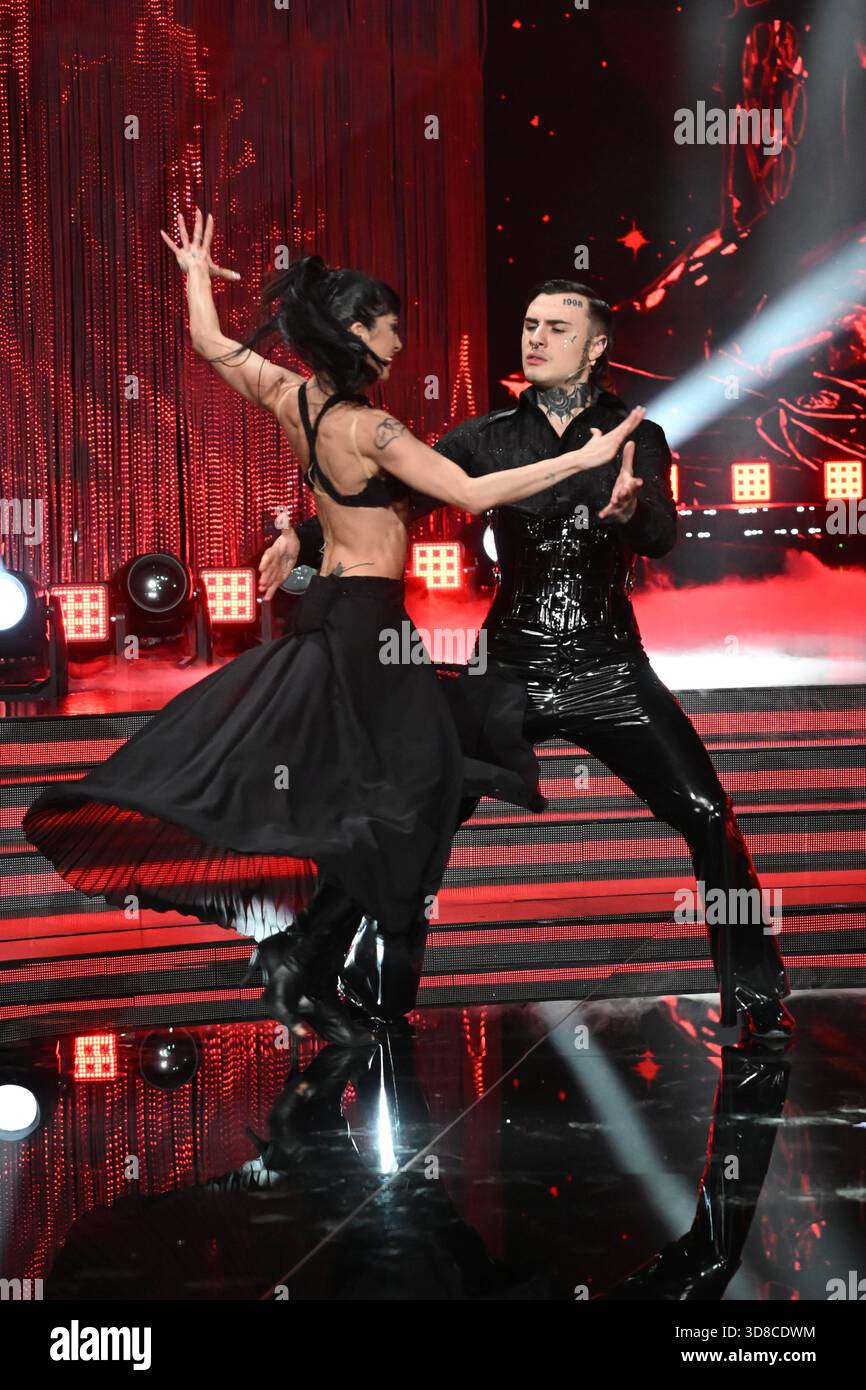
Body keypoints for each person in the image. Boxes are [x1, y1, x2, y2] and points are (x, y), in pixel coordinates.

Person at [21, 219, 643, 1048]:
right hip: (365, 624)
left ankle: (309, 955)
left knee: (389, 791)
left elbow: (209, 343)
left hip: (334, 614)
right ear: (359, 333)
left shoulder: (292, 395)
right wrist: (581, 458)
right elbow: (471, 491)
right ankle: (304, 955)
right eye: (390, 326)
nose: (399, 340)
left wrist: (197, 275)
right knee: (414, 795)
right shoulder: (369, 429)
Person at [278, 280, 795, 1044]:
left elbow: (660, 533)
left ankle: (756, 1001)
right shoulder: (483, 437)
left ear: (595, 347)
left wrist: (631, 512)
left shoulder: (631, 432)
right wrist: (302, 535)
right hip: (509, 663)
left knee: (707, 815)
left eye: (557, 327)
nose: (536, 337)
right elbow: (389, 501)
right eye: (528, 324)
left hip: (607, 665)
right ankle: (346, 981)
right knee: (414, 811)